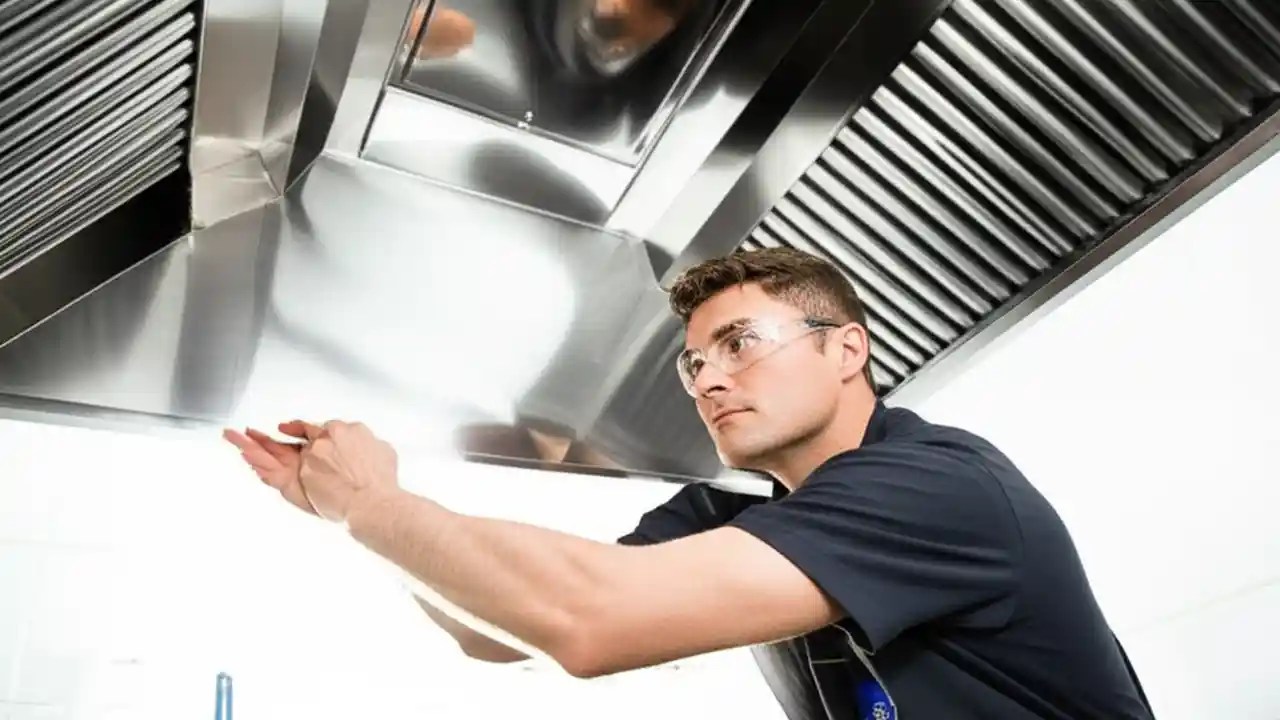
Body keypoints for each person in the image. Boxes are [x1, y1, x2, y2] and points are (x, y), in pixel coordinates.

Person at [224, 248, 1154, 719]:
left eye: (739, 345)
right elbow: (498, 633)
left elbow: (588, 624)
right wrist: (354, 519)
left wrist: (372, 504)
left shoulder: (934, 485)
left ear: (846, 351)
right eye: (694, 363)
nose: (708, 381)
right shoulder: (729, 513)